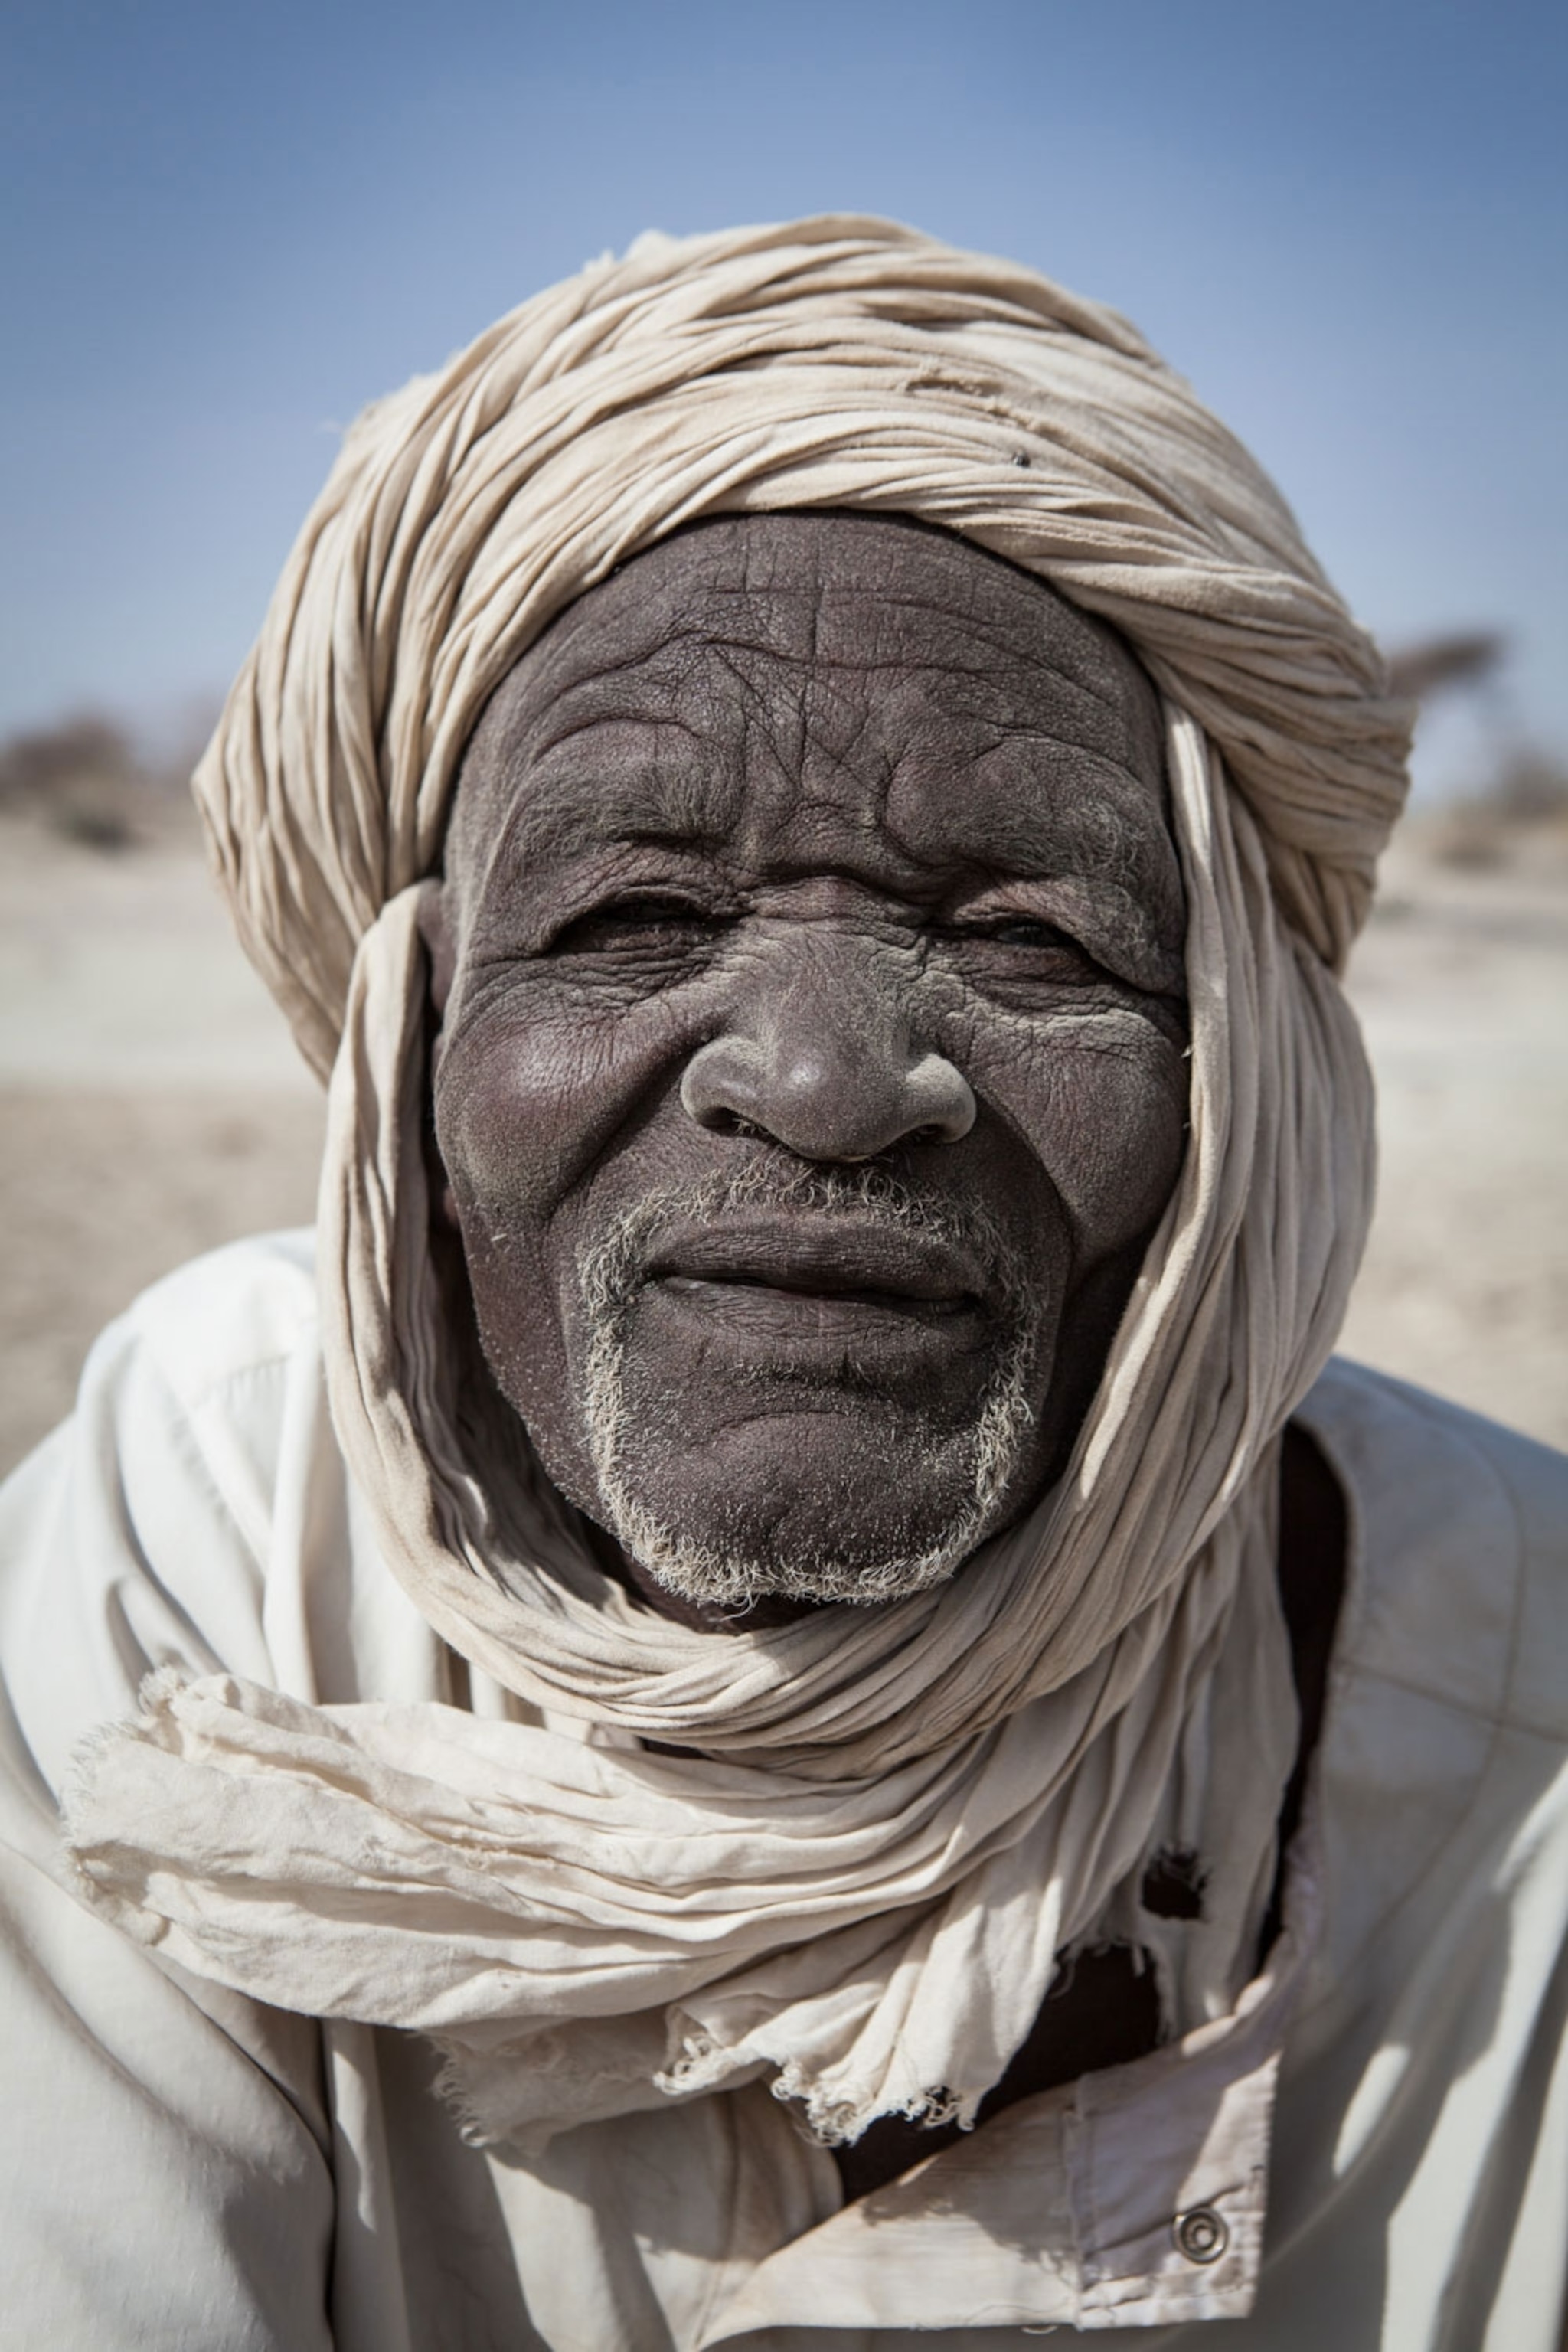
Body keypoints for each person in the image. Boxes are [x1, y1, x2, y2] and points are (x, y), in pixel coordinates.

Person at [2, 217, 1564, 2351]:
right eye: (635, 917)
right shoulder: (200, 1537)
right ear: (415, 1044)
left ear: (1243, 1075)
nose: (827, 1084)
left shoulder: (1517, 1686)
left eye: (1027, 940)